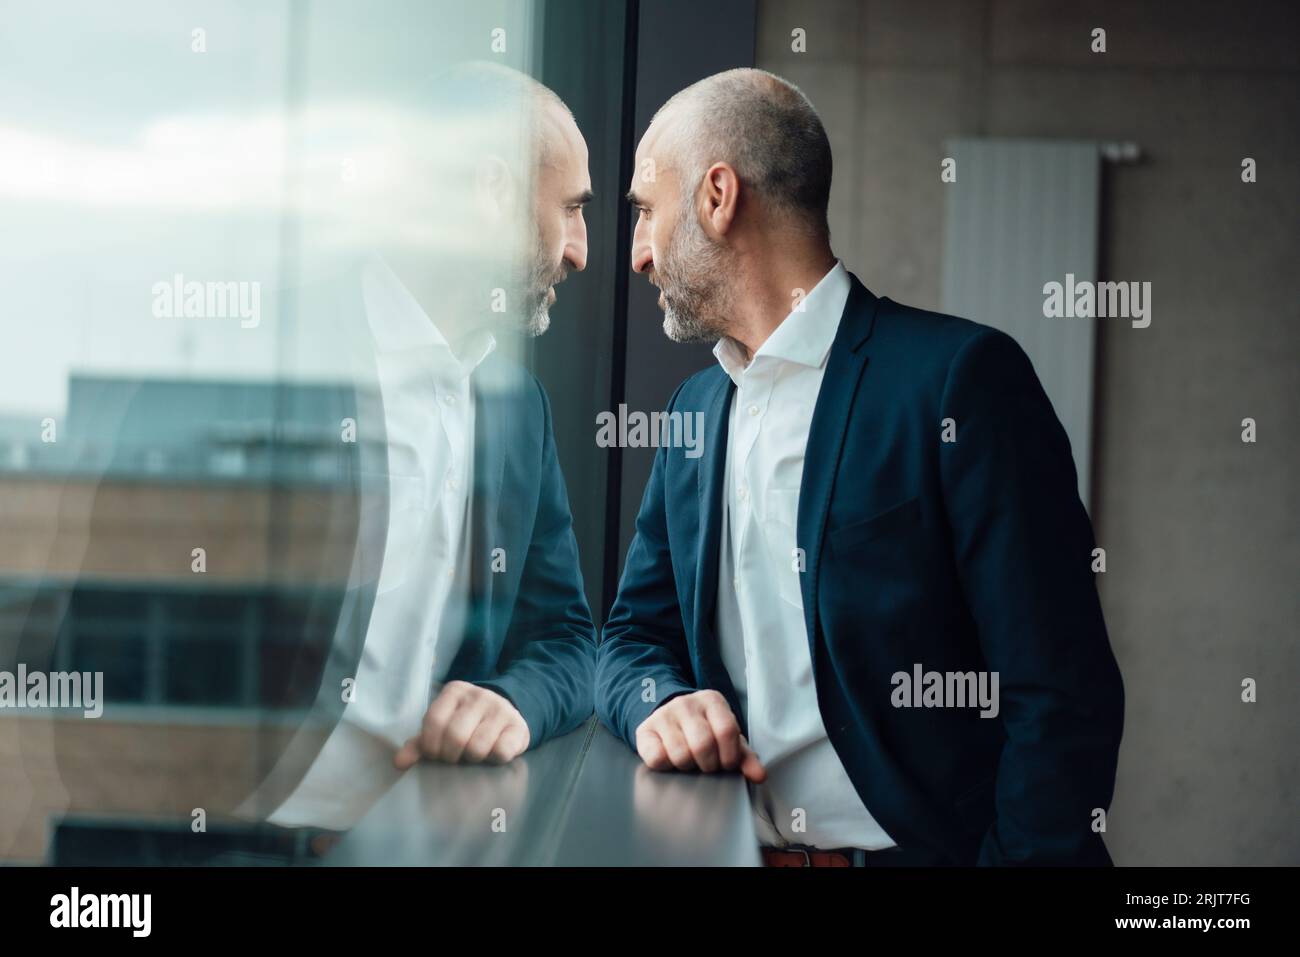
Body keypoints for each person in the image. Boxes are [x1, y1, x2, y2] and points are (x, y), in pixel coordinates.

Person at [597, 68, 1124, 866]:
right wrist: (658, 702)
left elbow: (1060, 691)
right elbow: (632, 635)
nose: (636, 253)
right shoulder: (695, 411)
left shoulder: (963, 381)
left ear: (716, 196)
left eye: (644, 209)